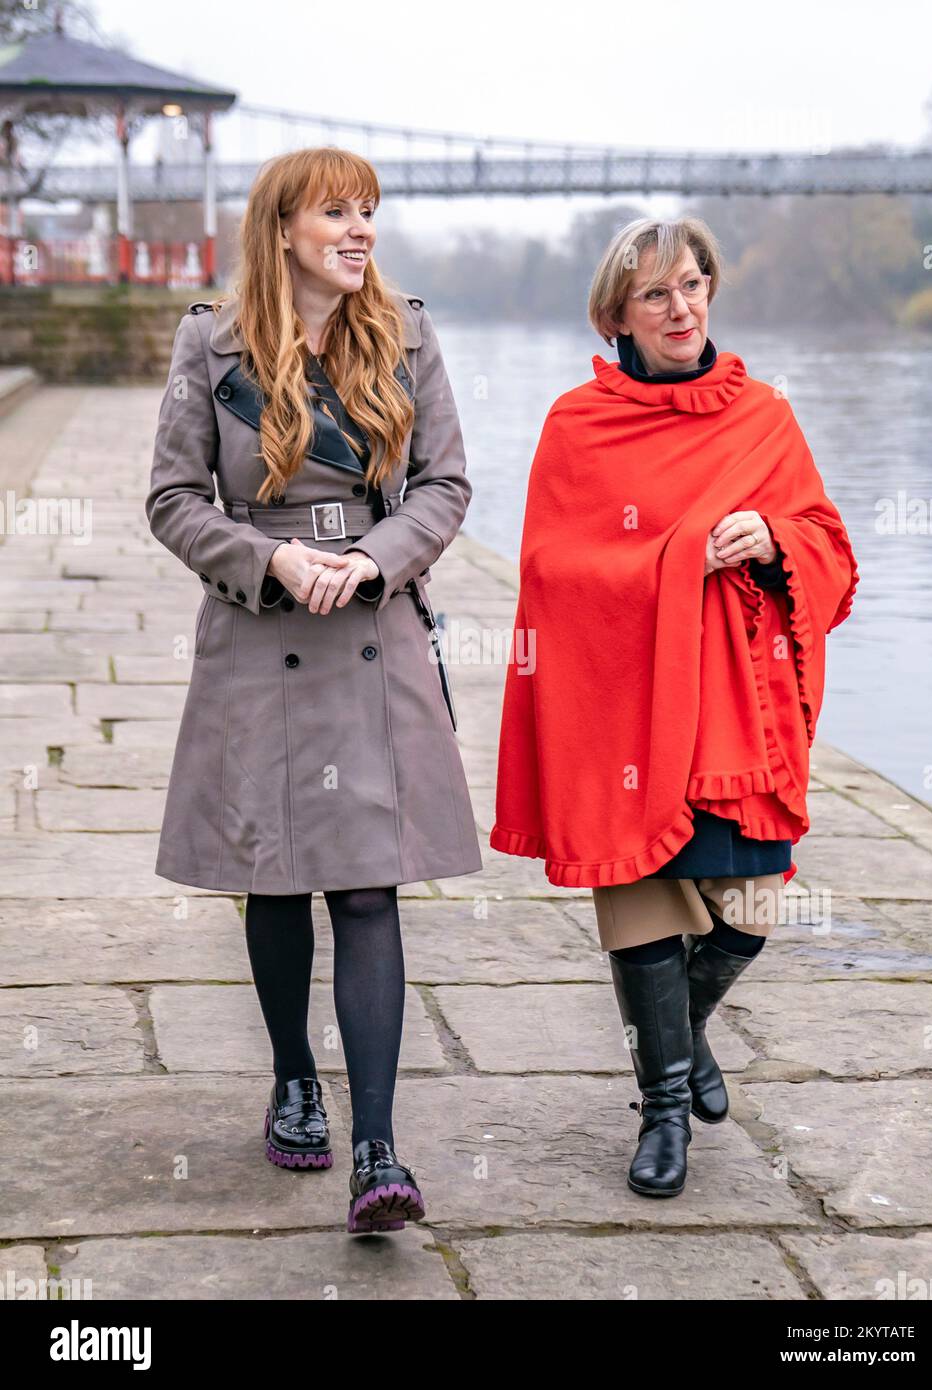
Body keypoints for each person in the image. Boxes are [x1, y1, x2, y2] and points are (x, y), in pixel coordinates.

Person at [145, 146, 482, 1234]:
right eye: (336, 212)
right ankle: (294, 1076)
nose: (359, 230)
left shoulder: (408, 334)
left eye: (368, 213)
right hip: (260, 626)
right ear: (282, 227)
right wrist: (269, 560)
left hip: (372, 617)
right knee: (277, 872)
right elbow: (169, 499)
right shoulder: (212, 340)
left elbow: (444, 484)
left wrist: (378, 559)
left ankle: (378, 1144)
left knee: (369, 882)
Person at [490, 215, 859, 1199]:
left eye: (692, 283)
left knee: (744, 910)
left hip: (734, 705)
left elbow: (826, 547)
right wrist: (670, 558)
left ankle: (681, 1035)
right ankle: (661, 1113)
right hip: (620, 707)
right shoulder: (578, 423)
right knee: (641, 891)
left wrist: (771, 536)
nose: (680, 306)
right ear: (615, 312)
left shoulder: (762, 415)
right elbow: (547, 567)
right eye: (654, 293)